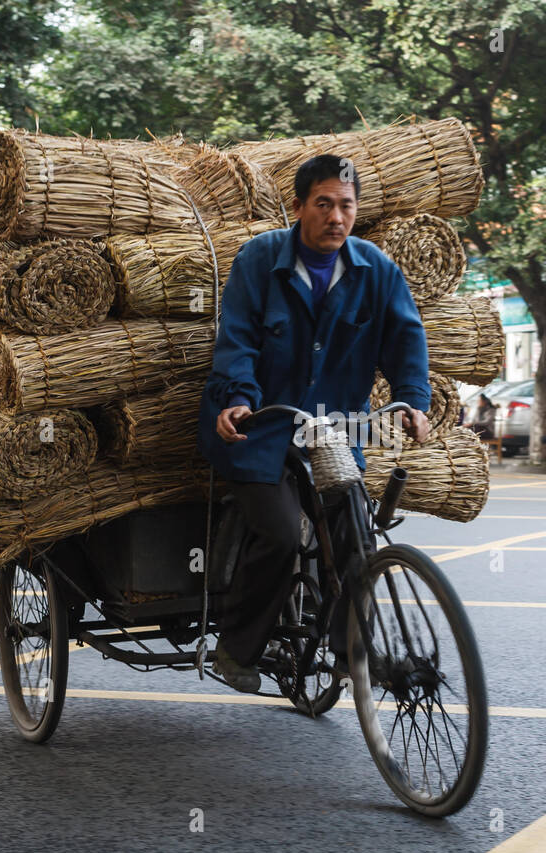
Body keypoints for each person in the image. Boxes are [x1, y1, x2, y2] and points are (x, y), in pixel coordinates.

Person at [197, 154, 431, 692]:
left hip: (333, 431)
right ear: (298, 207)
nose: (335, 217)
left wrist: (412, 399)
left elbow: (405, 340)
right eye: (323, 204)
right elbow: (237, 339)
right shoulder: (259, 260)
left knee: (357, 539)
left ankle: (350, 651)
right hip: (260, 427)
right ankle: (237, 650)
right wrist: (237, 398)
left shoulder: (376, 269)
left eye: (346, 206)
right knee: (279, 535)